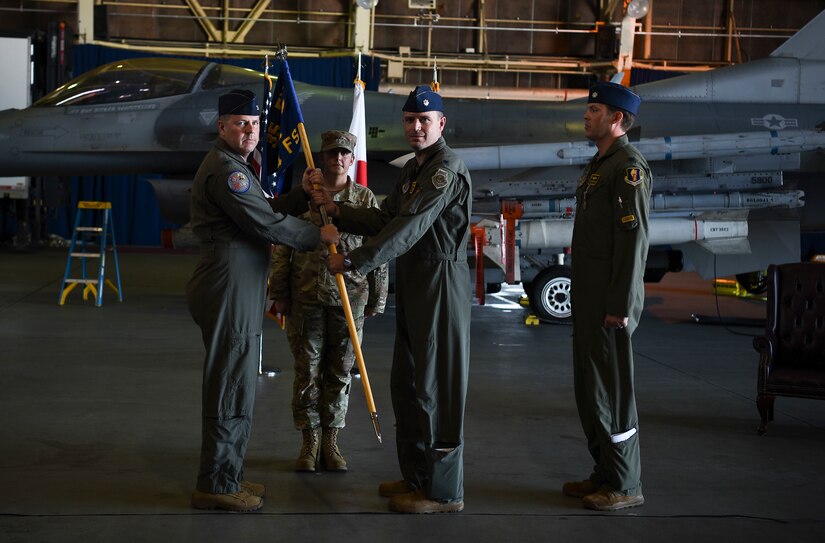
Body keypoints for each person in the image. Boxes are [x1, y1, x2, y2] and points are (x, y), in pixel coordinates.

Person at [313, 85, 472, 514]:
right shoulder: (414, 170)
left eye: (425, 120)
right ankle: (417, 475)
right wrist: (341, 210)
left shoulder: (445, 170)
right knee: (409, 383)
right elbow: (386, 217)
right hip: (417, 278)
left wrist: (355, 261)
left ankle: (442, 491)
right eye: (409, 120)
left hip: (440, 279)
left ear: (441, 124)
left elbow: (410, 227)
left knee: (435, 386)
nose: (416, 127)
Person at [186, 88, 339, 512]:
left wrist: (299, 199)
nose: (250, 130)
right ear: (222, 127)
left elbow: (263, 206)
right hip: (227, 282)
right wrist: (316, 234)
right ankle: (216, 483)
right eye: (240, 123)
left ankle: (227, 473)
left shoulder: (236, 165)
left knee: (236, 380)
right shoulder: (226, 170)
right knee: (230, 383)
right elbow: (262, 220)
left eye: (254, 123)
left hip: (237, 281)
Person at [269, 130, 388, 473]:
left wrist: (377, 299)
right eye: (332, 153)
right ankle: (309, 443)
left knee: (340, 374)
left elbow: (378, 250)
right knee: (307, 373)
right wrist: (279, 293)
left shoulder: (364, 199)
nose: (338, 159)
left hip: (349, 300)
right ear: (323, 158)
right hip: (306, 298)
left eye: (344, 154)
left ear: (352, 160)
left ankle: (332, 442)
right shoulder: (306, 197)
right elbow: (283, 245)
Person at [563, 82, 651, 511]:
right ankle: (605, 470)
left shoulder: (627, 167)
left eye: (594, 109)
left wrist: (621, 305)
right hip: (589, 300)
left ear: (616, 118)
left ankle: (626, 483)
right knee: (590, 390)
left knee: (612, 392)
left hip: (608, 305)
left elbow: (633, 243)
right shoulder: (600, 165)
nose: (587, 115)